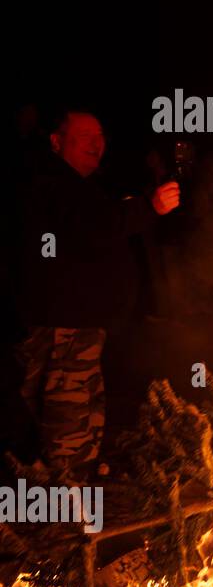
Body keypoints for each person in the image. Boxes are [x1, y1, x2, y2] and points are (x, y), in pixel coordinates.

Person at [14, 110, 180, 482]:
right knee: (65, 432)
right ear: (56, 142)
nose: (97, 143)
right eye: (85, 135)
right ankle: (62, 522)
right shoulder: (50, 183)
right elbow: (95, 225)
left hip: (81, 329)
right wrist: (148, 207)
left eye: (100, 135)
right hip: (64, 330)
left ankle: (78, 504)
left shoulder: (77, 186)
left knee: (84, 426)